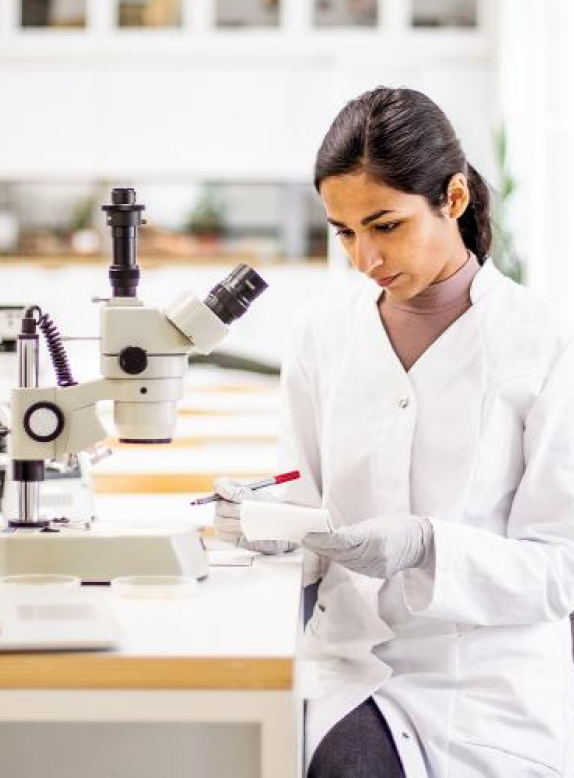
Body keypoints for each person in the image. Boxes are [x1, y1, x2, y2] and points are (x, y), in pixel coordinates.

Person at [215, 87, 574, 776]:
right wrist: (263, 520)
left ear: (455, 200)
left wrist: (428, 546)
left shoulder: (545, 343)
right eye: (344, 232)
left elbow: (560, 566)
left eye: (386, 225)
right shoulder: (318, 334)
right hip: (348, 665)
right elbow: (301, 502)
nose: (364, 259)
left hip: (483, 685)